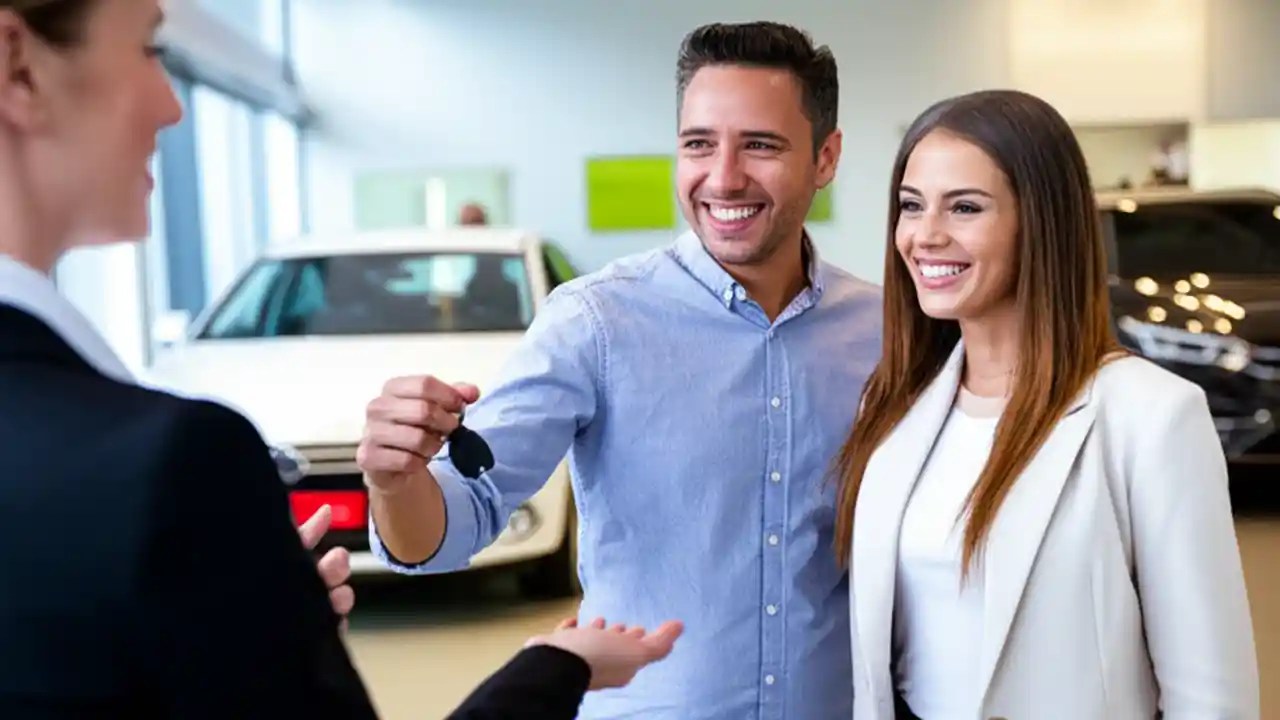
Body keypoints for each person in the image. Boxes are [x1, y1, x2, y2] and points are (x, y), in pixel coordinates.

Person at [0, 1, 678, 717]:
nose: (172, 106)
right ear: (18, 64)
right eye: (147, 49)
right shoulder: (170, 454)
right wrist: (556, 665)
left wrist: (246, 629)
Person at [357, 21, 882, 720]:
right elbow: (455, 524)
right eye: (699, 144)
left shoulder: (883, 331)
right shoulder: (595, 321)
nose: (723, 177)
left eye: (760, 144)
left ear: (826, 157)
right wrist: (395, 482)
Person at [834, 89, 1260, 719]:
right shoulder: (895, 403)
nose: (925, 235)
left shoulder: (1149, 415)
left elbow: (1211, 697)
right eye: (911, 206)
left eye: (966, 207)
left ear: (1041, 221)